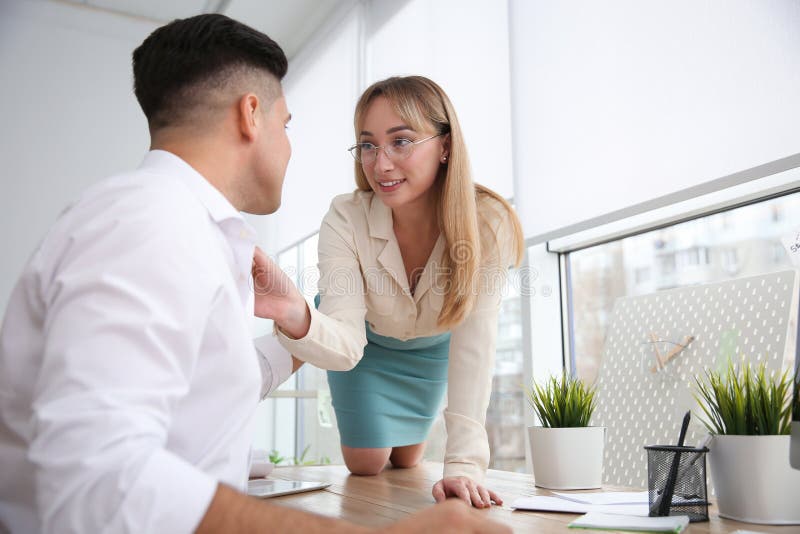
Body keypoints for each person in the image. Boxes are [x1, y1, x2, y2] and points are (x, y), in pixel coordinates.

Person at [0, 14, 509, 534]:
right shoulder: (149, 223)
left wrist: (296, 317)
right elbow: (97, 479)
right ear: (250, 115)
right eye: (286, 124)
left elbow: (218, 378)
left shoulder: (187, 227)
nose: (289, 146)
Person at [259, 76, 524, 508]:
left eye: (400, 141)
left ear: (445, 145)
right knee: (364, 463)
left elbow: (476, 346)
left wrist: (463, 465)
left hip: (433, 346)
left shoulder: (488, 222)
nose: (380, 164)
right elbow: (345, 341)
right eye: (367, 145)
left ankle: (408, 438)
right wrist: (296, 313)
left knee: (407, 460)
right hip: (364, 340)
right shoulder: (345, 216)